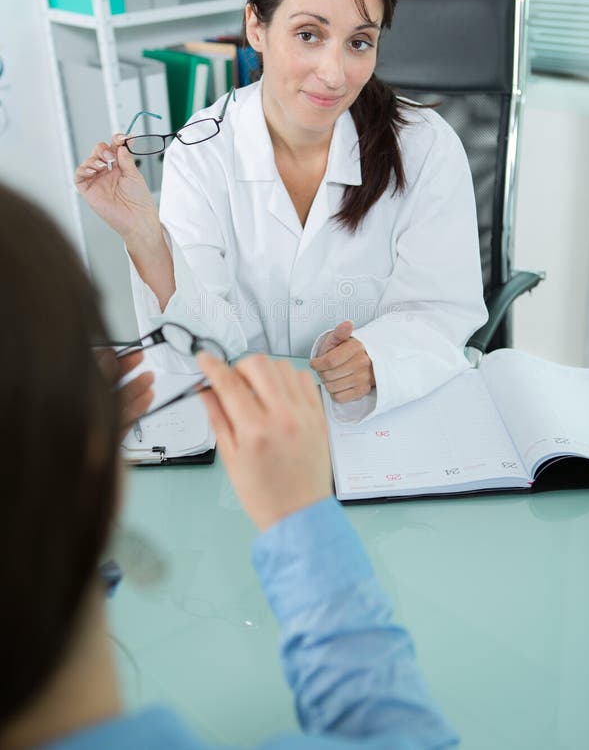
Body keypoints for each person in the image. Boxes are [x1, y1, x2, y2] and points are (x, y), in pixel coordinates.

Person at [0, 180, 458, 748]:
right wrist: (302, 516)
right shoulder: (203, 146)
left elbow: (446, 309)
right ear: (92, 452)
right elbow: (404, 736)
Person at [75, 0, 487, 424]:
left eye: (359, 42)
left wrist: (380, 358)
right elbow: (199, 350)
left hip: (381, 425)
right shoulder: (202, 151)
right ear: (256, 26)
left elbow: (443, 311)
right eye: (309, 34)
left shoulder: (426, 147)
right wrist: (145, 236)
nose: (334, 74)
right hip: (249, 424)